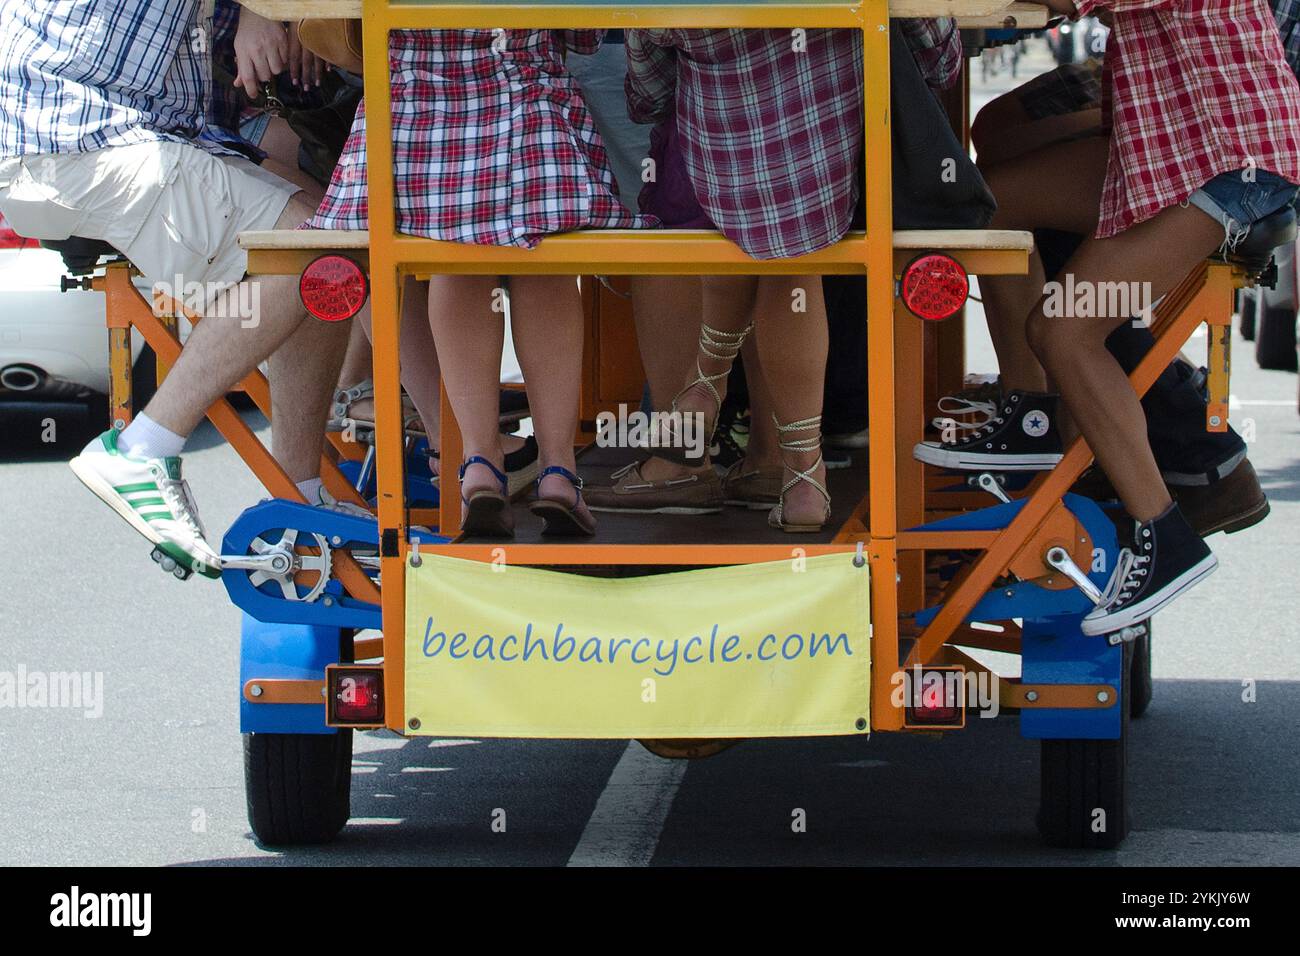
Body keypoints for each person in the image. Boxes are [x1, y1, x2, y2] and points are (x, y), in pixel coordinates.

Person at [915, 0, 1300, 634]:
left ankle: (1166, 538)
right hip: (1167, 146)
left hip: (1228, 163)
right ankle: (1033, 415)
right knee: (982, 207)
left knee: (1063, 331)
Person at [0, 1, 356, 579]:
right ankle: (143, 449)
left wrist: (277, 22)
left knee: (333, 253)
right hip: (76, 127)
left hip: (100, 129)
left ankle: (298, 496)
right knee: (319, 251)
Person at [585, 20, 963, 532]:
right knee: (792, 263)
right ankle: (799, 474)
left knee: (711, 226)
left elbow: (649, 86)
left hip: (715, 149)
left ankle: (701, 395)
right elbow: (936, 53)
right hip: (824, 151)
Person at [304, 29, 649, 538]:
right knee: (545, 263)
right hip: (524, 104)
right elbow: (584, 35)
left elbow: (339, 32)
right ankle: (557, 470)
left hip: (415, 111)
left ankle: (479, 462)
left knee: (454, 258)